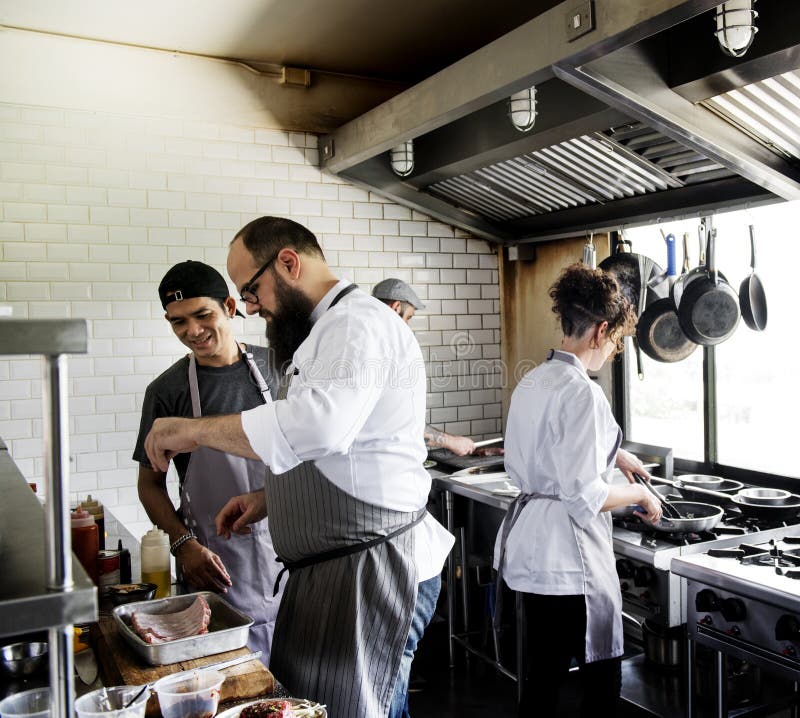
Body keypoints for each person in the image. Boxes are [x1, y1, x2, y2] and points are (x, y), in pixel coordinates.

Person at [143, 217, 453, 718]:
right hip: (337, 571)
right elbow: (343, 452)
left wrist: (193, 431)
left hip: (372, 568)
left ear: (288, 263)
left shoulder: (355, 324)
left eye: (251, 290)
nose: (250, 307)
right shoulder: (324, 333)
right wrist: (271, 498)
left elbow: (318, 427)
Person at [493, 263, 662, 718]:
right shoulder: (584, 392)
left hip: (532, 557)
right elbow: (587, 497)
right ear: (601, 330)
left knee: (542, 682)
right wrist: (641, 496)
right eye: (616, 340)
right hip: (569, 564)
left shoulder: (535, 378)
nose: (613, 350)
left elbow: (552, 448)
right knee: (600, 689)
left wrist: (615, 455)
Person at [133, 260, 283, 661]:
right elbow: (149, 484)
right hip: (216, 564)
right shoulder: (167, 391)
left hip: (289, 552)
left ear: (230, 307)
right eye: (178, 322)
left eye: (202, 315)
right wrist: (183, 545)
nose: (193, 331)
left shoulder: (279, 368)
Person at [372, 277, 476, 457]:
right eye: (409, 317)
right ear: (396, 307)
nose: (407, 325)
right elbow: (403, 424)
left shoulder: (368, 344)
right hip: (388, 462)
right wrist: (451, 442)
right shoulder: (390, 353)